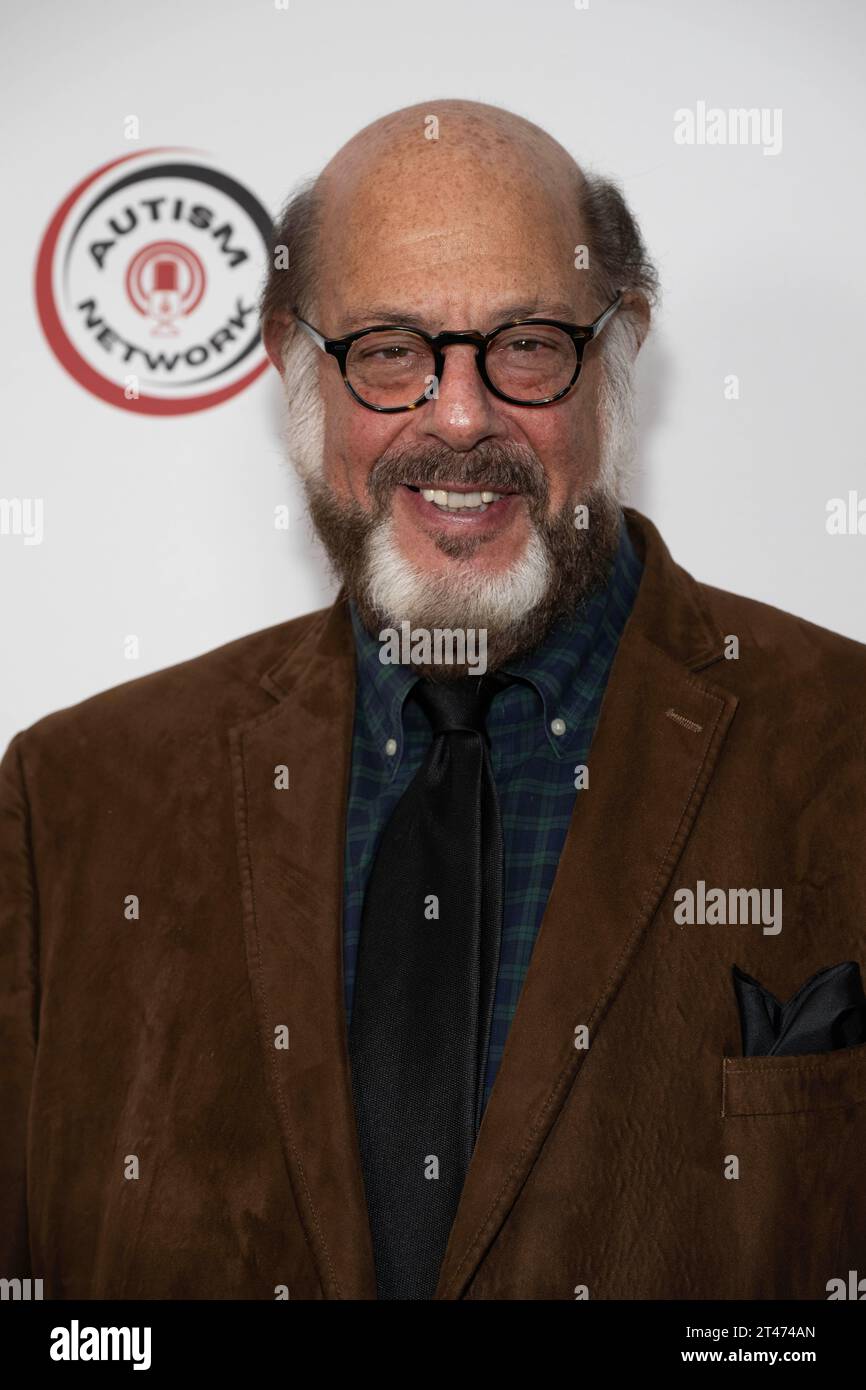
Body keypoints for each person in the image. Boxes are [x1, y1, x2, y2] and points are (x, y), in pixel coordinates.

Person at [2, 99, 865, 1301]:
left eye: (523, 342)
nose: (459, 418)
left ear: (617, 354)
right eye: (390, 351)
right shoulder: (75, 801)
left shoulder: (842, 747)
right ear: (295, 366)